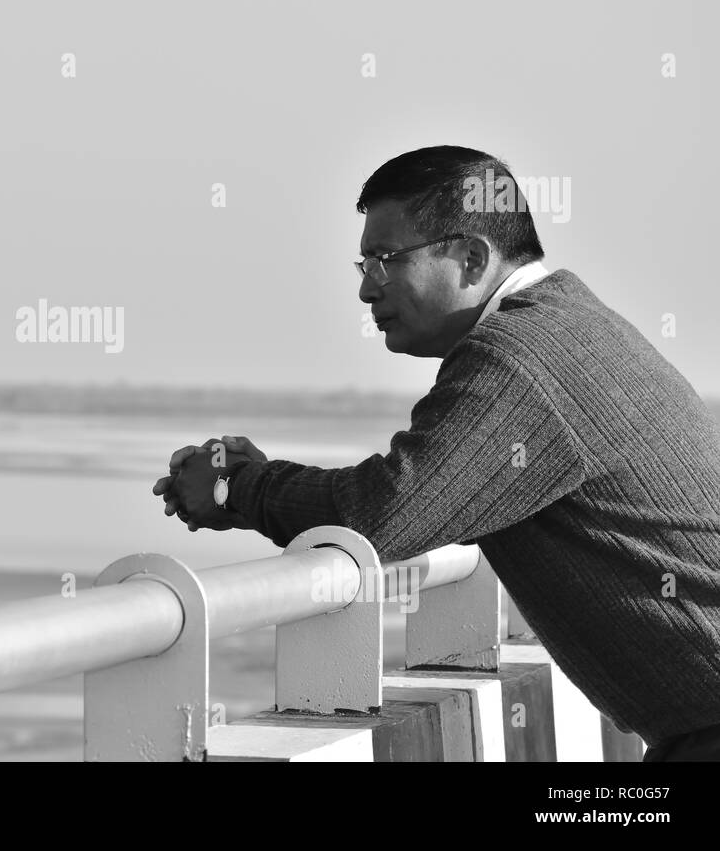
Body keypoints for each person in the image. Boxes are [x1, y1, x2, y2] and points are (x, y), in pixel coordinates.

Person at [154, 145, 720, 761]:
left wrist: (235, 487)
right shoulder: (567, 325)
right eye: (363, 261)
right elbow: (430, 492)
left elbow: (382, 514)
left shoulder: (519, 357)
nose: (368, 286)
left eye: (388, 259)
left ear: (472, 257)